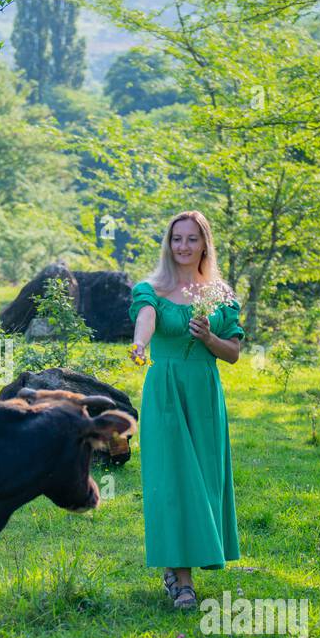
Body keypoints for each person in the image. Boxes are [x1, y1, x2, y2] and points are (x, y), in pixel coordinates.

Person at [128, 210, 245, 610]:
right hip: (165, 391)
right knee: (173, 481)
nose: (183, 246)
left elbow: (233, 353)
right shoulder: (151, 287)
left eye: (191, 239)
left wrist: (210, 337)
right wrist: (140, 344)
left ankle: (185, 564)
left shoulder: (221, 294)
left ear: (204, 244)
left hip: (204, 392)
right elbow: (146, 318)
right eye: (176, 238)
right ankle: (182, 583)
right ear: (168, 243)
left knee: (205, 483)